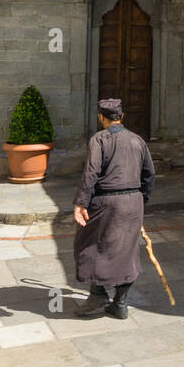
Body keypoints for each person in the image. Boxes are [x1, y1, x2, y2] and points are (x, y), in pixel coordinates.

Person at [73, 98, 155, 319]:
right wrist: (141, 200)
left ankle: (98, 294)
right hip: (133, 202)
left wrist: (81, 202)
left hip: (106, 203)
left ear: (101, 117)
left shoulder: (99, 139)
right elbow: (149, 174)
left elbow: (91, 172)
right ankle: (120, 302)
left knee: (90, 245)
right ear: (122, 116)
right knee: (127, 251)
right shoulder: (138, 140)